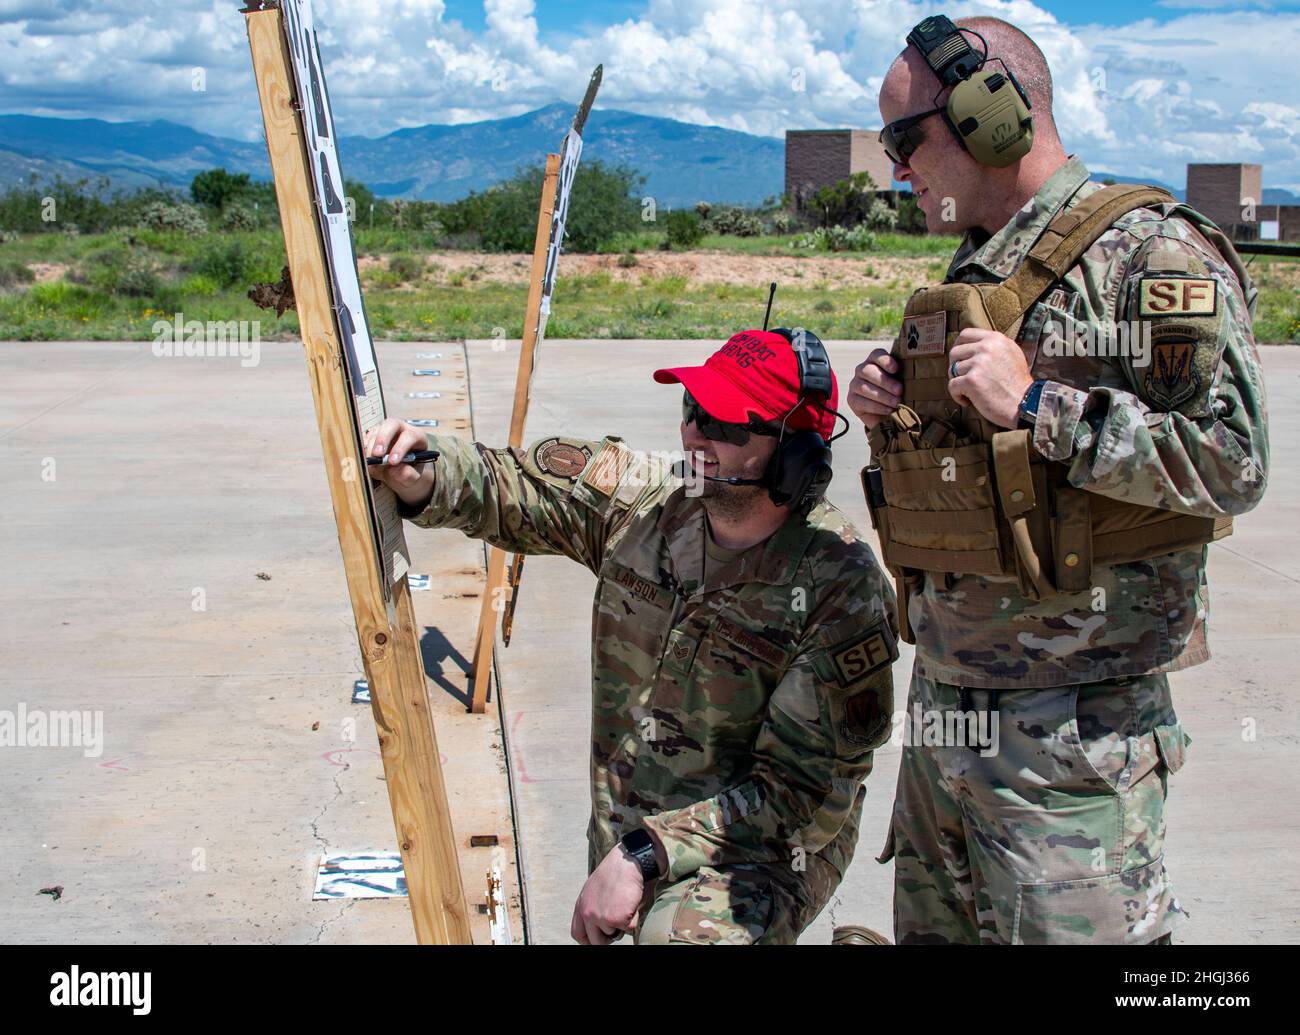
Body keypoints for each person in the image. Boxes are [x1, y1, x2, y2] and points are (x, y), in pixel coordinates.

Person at [850, 14, 1268, 944]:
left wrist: (1038, 404)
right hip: (949, 720)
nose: (896, 172)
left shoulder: (1152, 257)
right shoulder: (977, 267)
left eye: (902, 142)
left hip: (1071, 741)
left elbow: (1233, 461)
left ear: (989, 119)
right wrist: (896, 405)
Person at [370, 328, 899, 944]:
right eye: (692, 411)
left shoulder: (840, 588)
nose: (695, 434)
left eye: (724, 424)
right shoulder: (647, 505)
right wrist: (423, 468)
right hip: (634, 828)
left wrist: (645, 856)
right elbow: (515, 484)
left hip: (763, 849)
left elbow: (804, 796)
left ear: (793, 456)